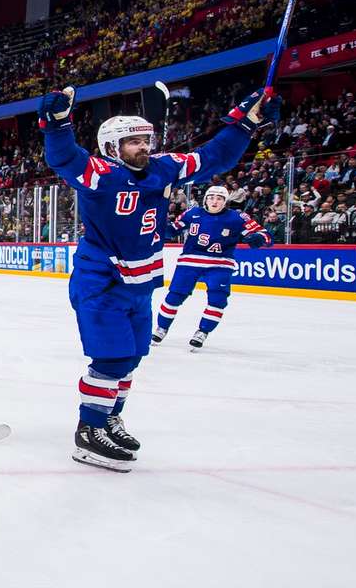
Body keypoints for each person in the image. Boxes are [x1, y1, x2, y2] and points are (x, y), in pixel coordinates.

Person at [39, 85, 278, 471]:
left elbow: (214, 156)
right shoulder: (99, 174)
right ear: (112, 148)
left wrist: (244, 123)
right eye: (132, 141)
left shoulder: (164, 167)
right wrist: (57, 125)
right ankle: (89, 430)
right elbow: (64, 157)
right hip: (102, 281)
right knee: (111, 358)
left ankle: (110, 418)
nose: (142, 146)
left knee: (131, 358)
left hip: (140, 284)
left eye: (145, 139)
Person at [153, 185, 272, 350]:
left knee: (218, 300)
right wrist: (159, 222)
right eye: (211, 197)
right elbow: (172, 231)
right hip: (190, 261)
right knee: (174, 296)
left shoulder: (237, 217)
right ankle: (161, 328)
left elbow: (266, 235)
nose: (215, 201)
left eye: (219, 198)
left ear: (225, 201)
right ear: (205, 199)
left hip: (220, 264)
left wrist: (257, 238)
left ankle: (203, 331)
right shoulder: (192, 213)